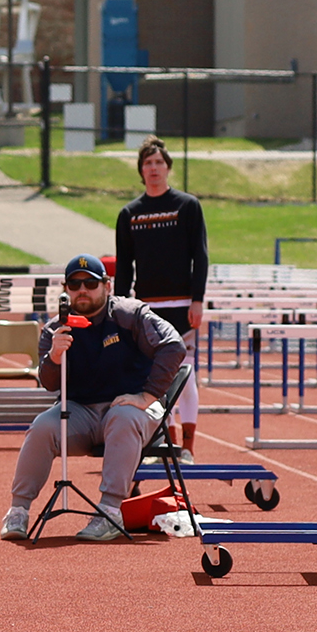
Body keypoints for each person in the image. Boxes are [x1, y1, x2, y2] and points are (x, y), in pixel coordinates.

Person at [0, 254, 185, 542]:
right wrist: (54, 356)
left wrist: (147, 395)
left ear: (107, 286)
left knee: (122, 417)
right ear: (65, 289)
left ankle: (109, 512)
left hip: (132, 410)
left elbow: (173, 345)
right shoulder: (55, 329)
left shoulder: (130, 314)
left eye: (90, 283)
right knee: (42, 426)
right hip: (82, 412)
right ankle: (18, 511)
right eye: (74, 284)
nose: (82, 290)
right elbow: (49, 384)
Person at [114, 136, 207, 457]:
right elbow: (124, 266)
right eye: (147, 163)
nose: (153, 168)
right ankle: (167, 443)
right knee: (155, 380)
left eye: (158, 163)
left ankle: (188, 447)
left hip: (182, 306)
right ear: (141, 170)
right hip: (147, 310)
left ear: (168, 168)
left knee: (186, 376)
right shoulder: (129, 213)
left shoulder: (188, 206)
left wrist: (198, 299)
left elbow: (200, 255)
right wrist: (120, 309)